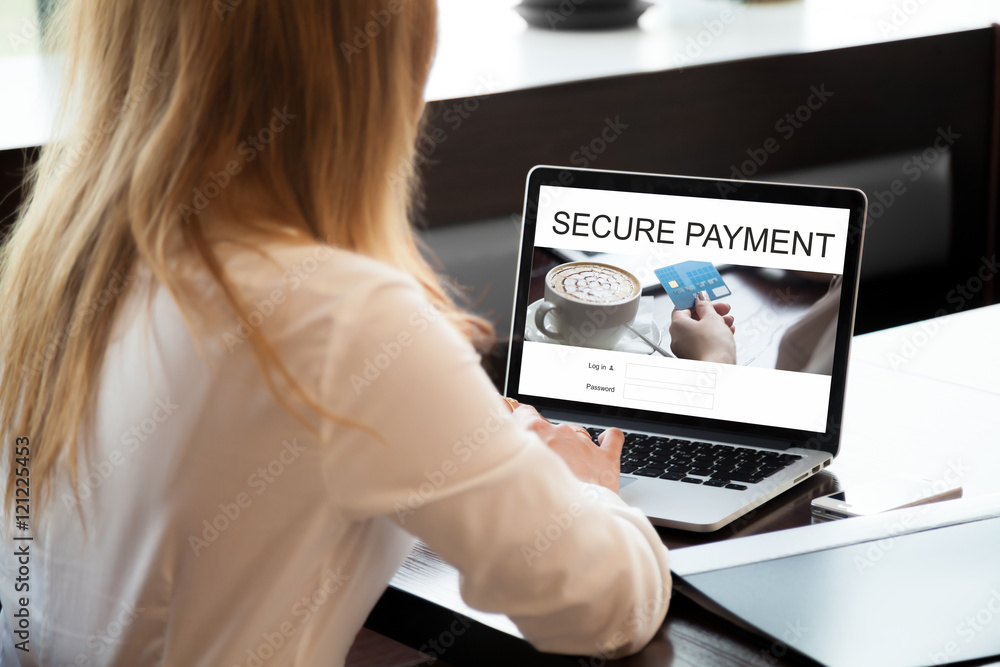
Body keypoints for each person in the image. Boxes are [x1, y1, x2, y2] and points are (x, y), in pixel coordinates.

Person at [0, 2, 670, 664]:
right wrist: (583, 491)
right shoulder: (341, 319)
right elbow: (600, 606)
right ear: (371, 62)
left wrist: (468, 448)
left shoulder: (51, 280)